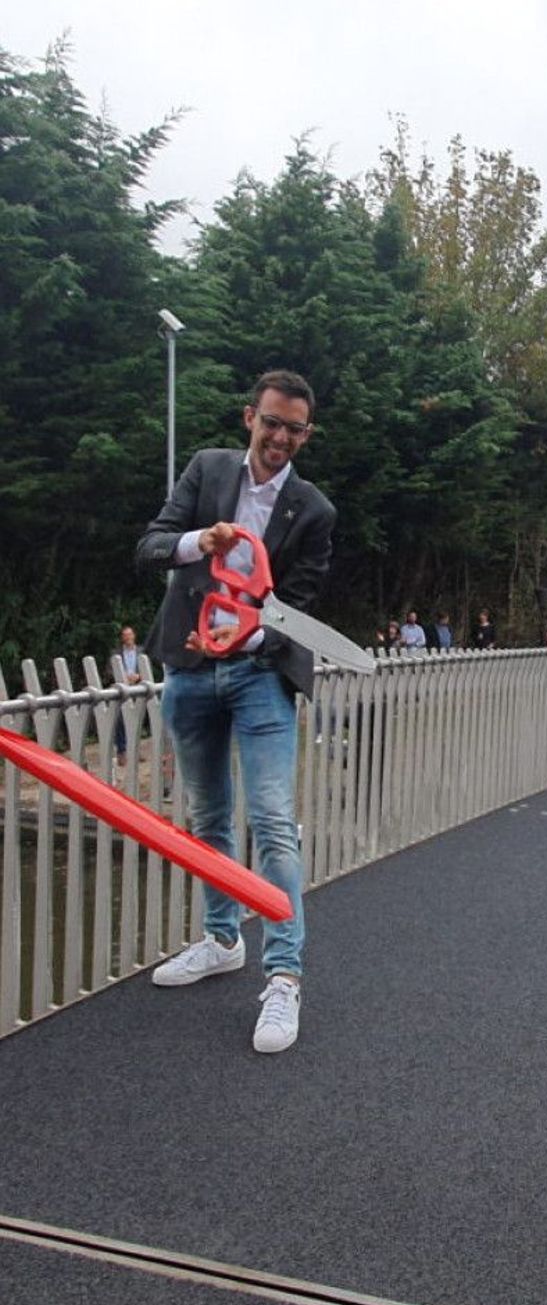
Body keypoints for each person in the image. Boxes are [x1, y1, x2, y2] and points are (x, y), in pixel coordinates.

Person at [136, 368, 334, 1054]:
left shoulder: (314, 511)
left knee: (275, 823)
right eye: (271, 421)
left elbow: (298, 610)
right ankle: (222, 940)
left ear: (306, 435)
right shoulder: (207, 471)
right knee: (207, 818)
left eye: (294, 428)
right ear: (250, 417)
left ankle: (284, 975)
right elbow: (153, 545)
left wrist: (240, 634)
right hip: (190, 670)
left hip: (258, 675)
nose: (280, 437)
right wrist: (203, 541)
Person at [112, 624, 143, 766]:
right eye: (125, 635)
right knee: (121, 721)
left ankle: (135, 751)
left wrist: (139, 676)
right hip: (122, 689)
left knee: (136, 720)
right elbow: (109, 671)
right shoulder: (116, 654)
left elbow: (148, 669)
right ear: (122, 638)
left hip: (138, 688)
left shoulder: (141, 652)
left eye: (130, 634)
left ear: (134, 636)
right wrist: (123, 677)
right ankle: (122, 751)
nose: (128, 637)